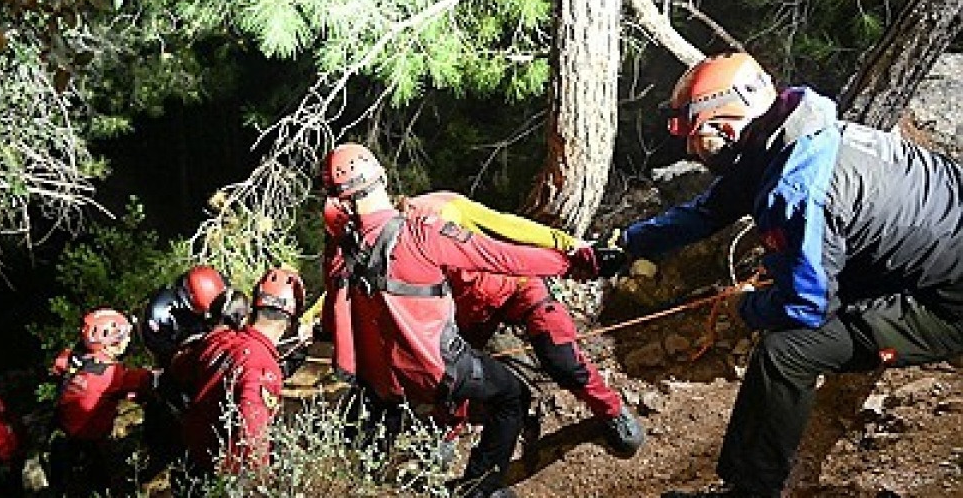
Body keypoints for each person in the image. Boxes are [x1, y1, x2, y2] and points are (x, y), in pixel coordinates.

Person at [620, 52, 963, 497]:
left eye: (696, 136)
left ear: (726, 126)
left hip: (947, 300)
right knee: (809, 284)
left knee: (786, 352)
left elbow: (804, 307)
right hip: (934, 248)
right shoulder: (792, 131)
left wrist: (746, 306)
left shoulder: (796, 188)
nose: (690, 149)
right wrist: (630, 243)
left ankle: (751, 490)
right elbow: (710, 210)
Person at [320, 142, 606, 498]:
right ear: (379, 179)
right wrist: (572, 260)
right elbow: (501, 257)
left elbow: (333, 320)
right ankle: (479, 489)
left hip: (381, 382)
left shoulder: (339, 253)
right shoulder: (420, 232)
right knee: (511, 396)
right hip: (434, 368)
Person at [325, 193, 644, 456]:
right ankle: (446, 435)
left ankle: (612, 411)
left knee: (560, 357)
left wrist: (570, 248)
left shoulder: (440, 209)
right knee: (450, 372)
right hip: (464, 312)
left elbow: (507, 228)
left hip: (516, 286)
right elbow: (346, 291)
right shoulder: (374, 249)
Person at [170, 267, 304, 489]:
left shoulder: (220, 339)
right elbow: (252, 437)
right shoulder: (262, 366)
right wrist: (258, 484)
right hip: (213, 478)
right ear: (290, 319)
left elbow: (180, 367)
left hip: (188, 461)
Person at [140, 265, 248, 476]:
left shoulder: (220, 289)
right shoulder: (161, 311)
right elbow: (159, 349)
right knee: (165, 401)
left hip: (202, 349)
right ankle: (159, 454)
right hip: (176, 354)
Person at [49, 308, 157, 496]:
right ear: (110, 341)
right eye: (124, 336)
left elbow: (60, 367)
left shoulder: (73, 359)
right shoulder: (111, 374)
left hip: (61, 434)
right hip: (86, 443)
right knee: (98, 486)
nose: (128, 341)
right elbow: (147, 381)